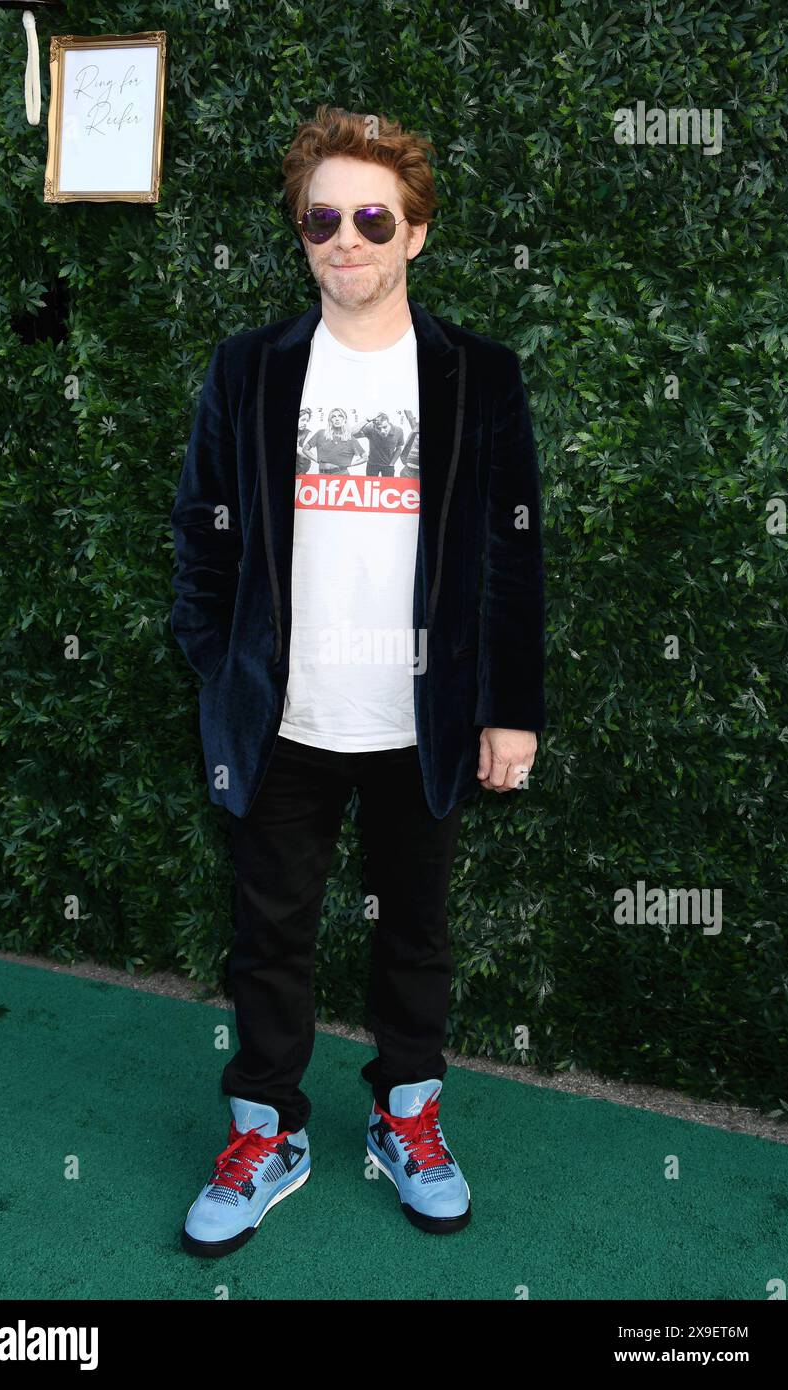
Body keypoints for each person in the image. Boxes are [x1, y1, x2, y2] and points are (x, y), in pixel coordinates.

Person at [171, 105, 546, 1257]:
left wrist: (512, 707)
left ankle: (407, 1118)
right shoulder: (250, 369)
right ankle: (265, 1128)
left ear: (415, 234)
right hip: (284, 714)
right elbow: (204, 537)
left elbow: (510, 549)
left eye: (372, 215)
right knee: (267, 933)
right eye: (323, 217)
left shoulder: (479, 375)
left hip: (421, 717)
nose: (348, 237)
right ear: (302, 233)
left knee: (416, 934)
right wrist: (219, 664)